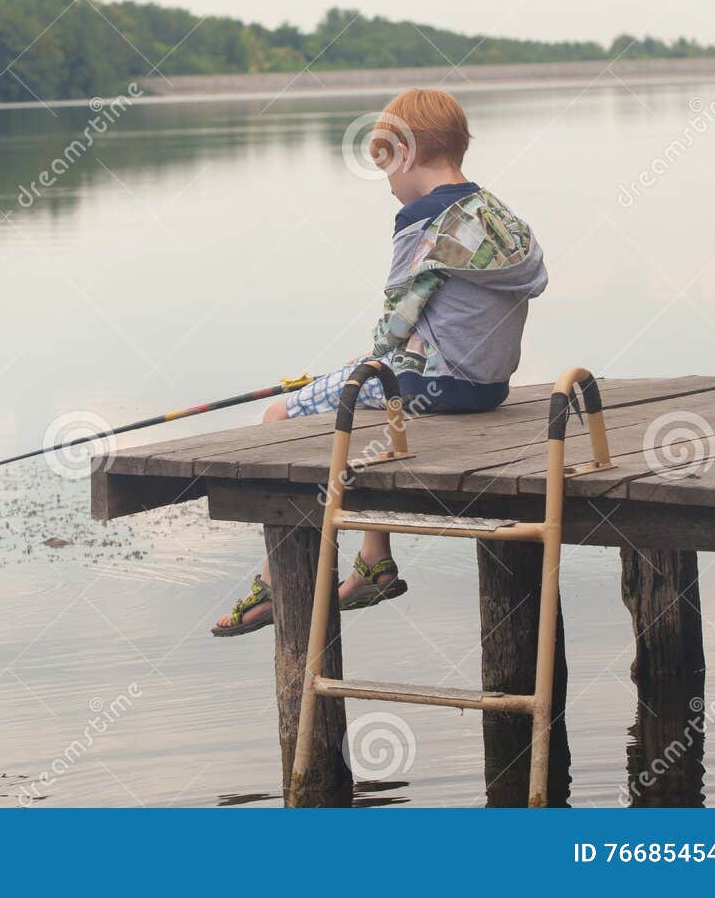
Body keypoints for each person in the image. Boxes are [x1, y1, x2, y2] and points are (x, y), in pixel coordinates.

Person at [212, 88, 549, 636]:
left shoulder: (423, 221)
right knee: (368, 419)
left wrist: (356, 366)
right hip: (487, 386)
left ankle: (277, 580)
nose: (388, 185)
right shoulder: (496, 214)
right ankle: (374, 560)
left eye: (386, 168)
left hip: (429, 385)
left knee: (280, 419)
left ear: (406, 156)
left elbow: (394, 327)